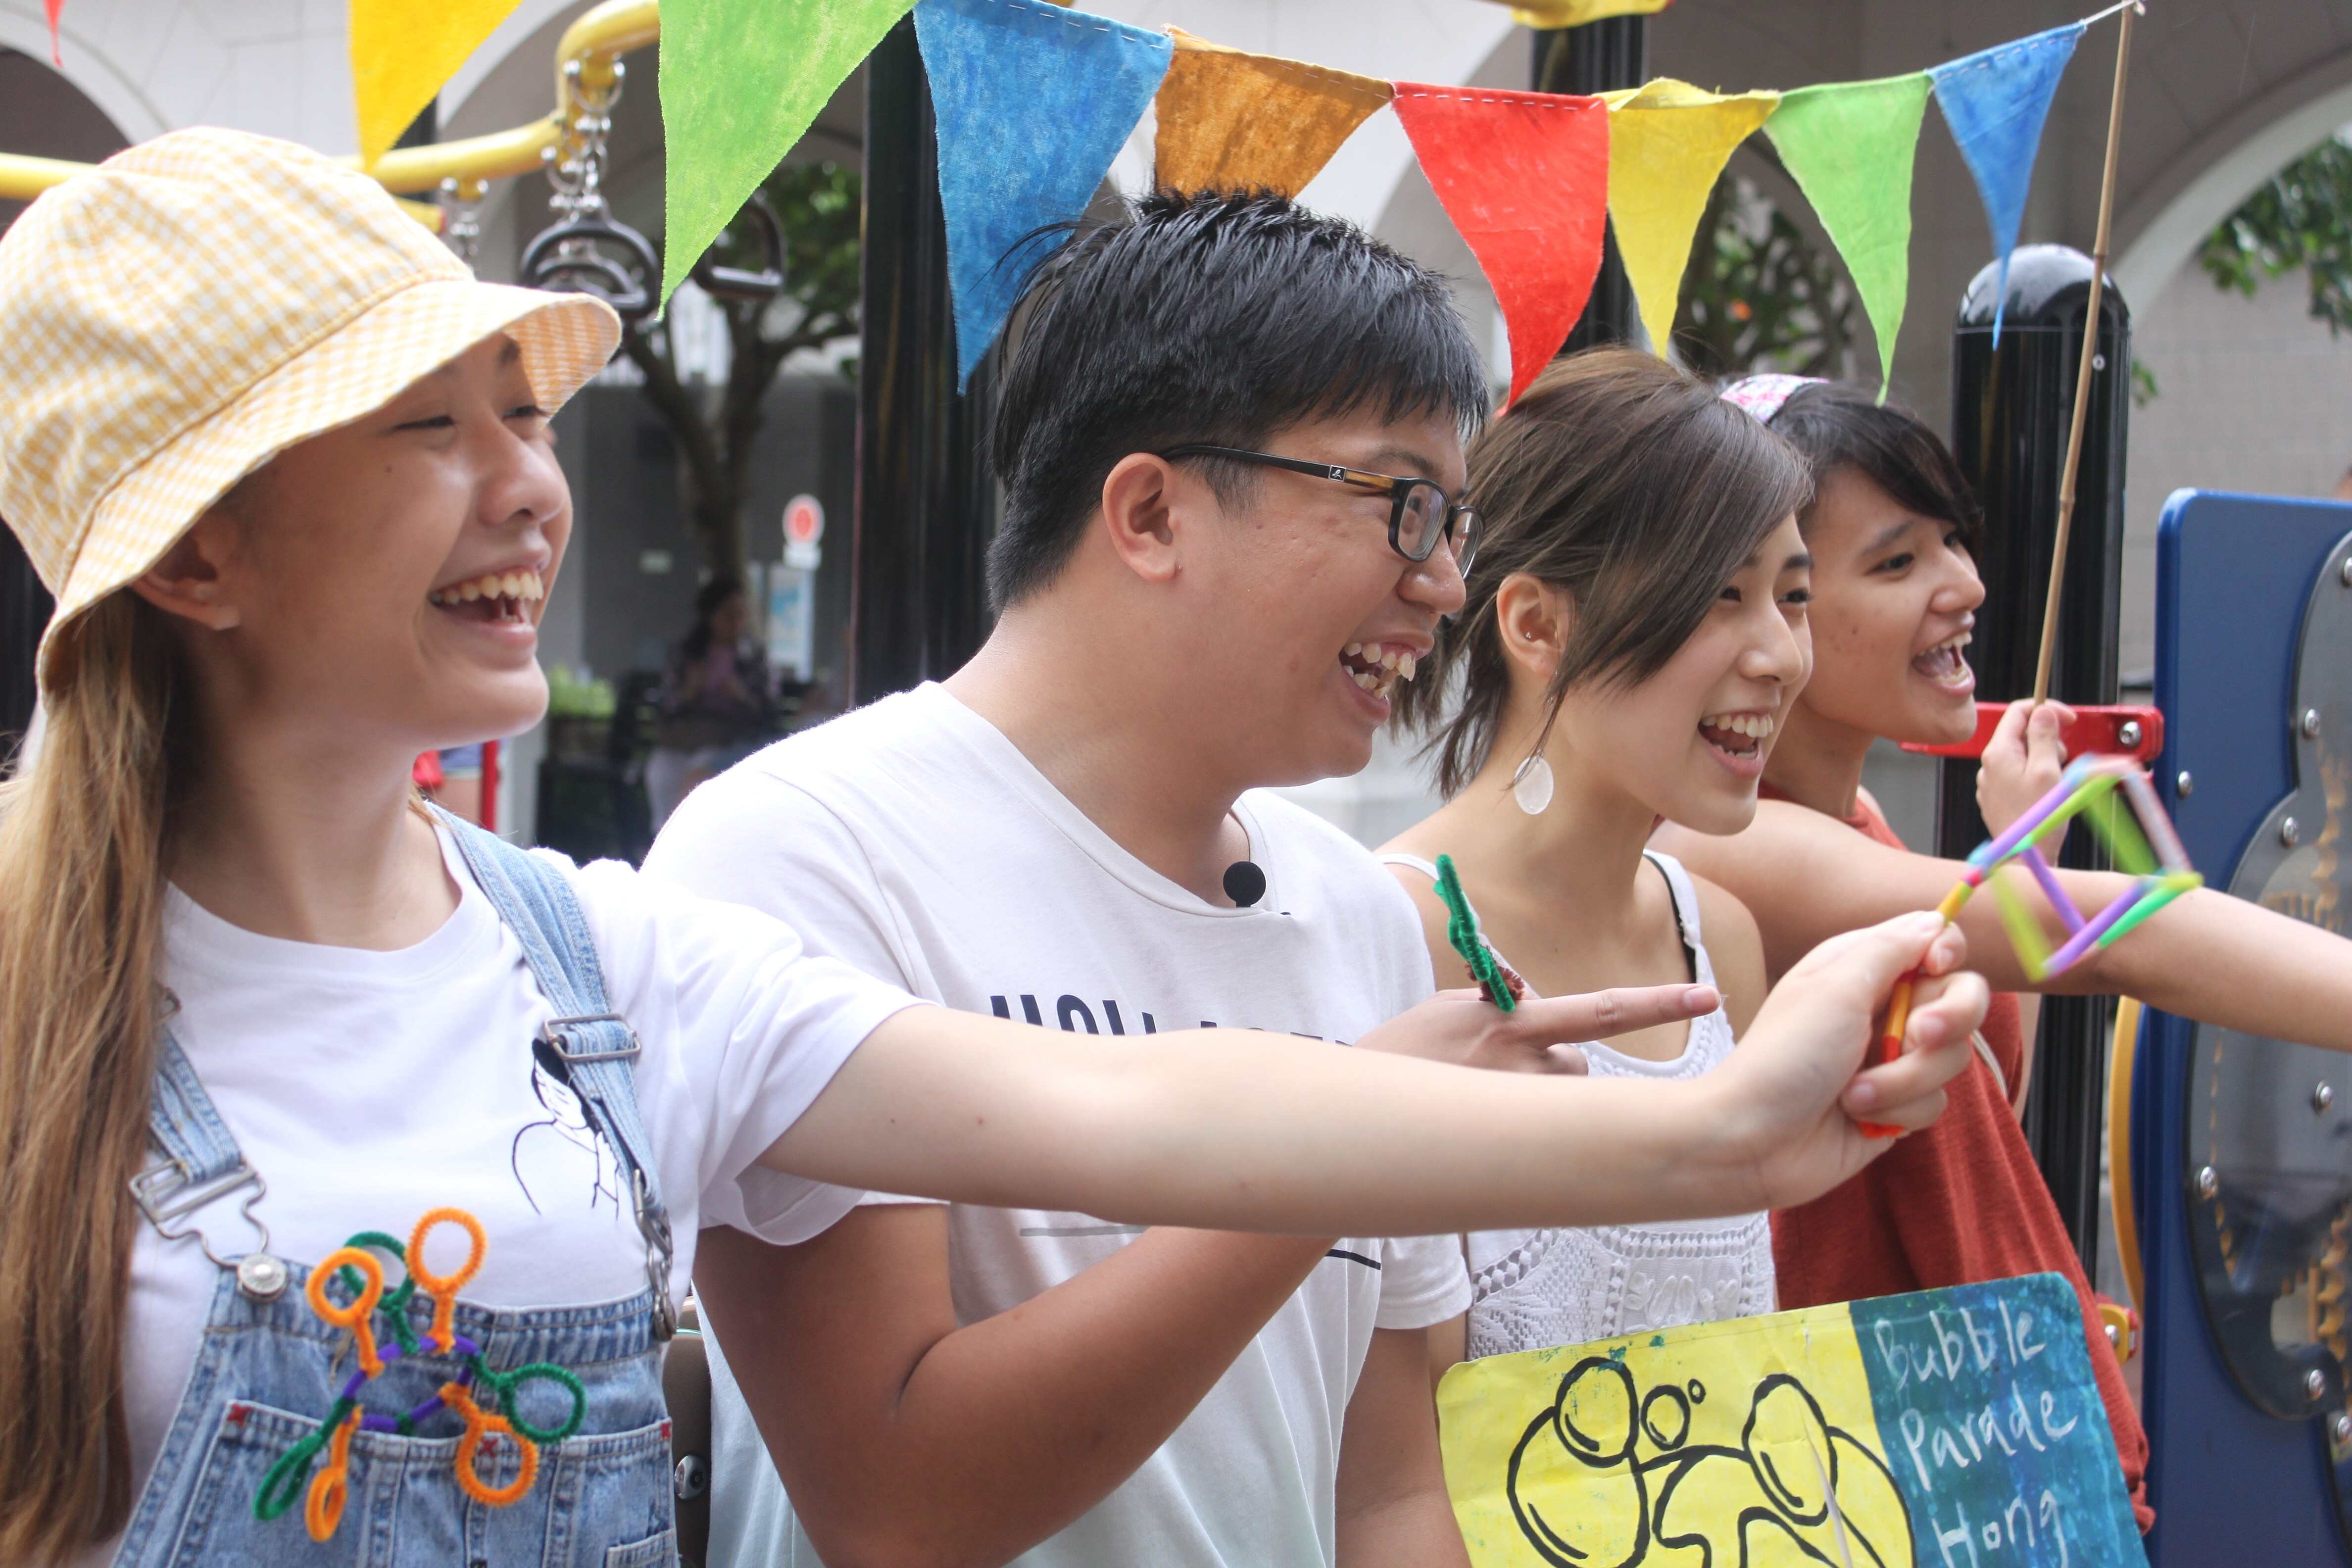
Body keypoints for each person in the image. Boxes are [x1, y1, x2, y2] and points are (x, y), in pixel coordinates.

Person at [0, 135, 1981, 1568]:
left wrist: (1722, 1133)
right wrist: (1671, 1129)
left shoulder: (597, 966)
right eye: (430, 427)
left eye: (520, 413)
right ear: (196, 549)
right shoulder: (780, 849)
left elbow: (1137, 1127)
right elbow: (905, 1489)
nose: (531, 485)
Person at [641, 196, 1961, 1568]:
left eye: (1456, 523)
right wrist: (1352, 1136)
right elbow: (898, 1503)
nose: (1447, 584)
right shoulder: (805, 851)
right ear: (1152, 511)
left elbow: (1387, 1492)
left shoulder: (1357, 917)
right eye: (1404, 507)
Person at [1658, 373, 2352, 1531]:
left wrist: (2004, 844)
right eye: (1894, 564)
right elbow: (2130, 939)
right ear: (1756, 605)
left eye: (1952, 544)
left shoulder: (1855, 834)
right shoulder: (1724, 845)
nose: (1965, 586)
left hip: (1984, 1444)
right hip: (1848, 1482)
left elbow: (1975, 1105)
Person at [1381, 351, 1809, 1371]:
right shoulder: (1394, 931)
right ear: (1536, 625)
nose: (1782, 655)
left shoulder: (1722, 942)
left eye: (1792, 598)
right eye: (1719, 596)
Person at [647, 575, 775, 828]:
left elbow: (769, 710)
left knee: (698, 773)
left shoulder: (753, 656)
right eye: (728, 614)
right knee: (660, 770)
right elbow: (667, 705)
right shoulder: (689, 653)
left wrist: (742, 697)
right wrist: (689, 692)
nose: (736, 622)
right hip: (686, 739)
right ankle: (659, 837)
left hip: (730, 741)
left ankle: (683, 837)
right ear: (711, 616)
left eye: (741, 615)